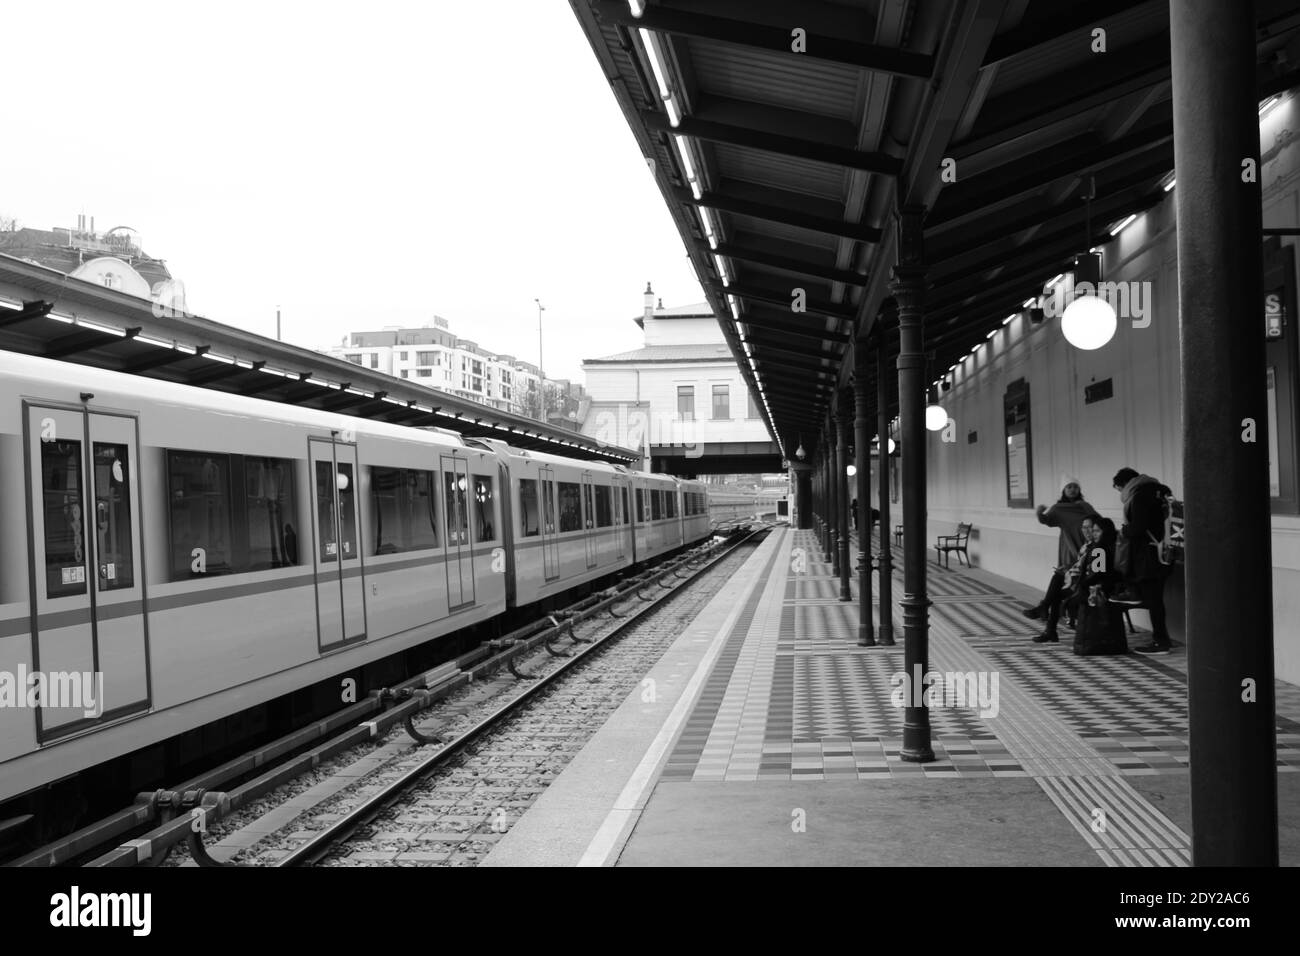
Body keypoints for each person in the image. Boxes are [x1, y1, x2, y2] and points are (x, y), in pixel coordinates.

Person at [1110, 467, 1174, 653]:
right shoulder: (1160, 491)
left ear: (1124, 484)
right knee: (1155, 598)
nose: (1120, 493)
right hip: (1165, 551)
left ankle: (1161, 641)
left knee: (1154, 600)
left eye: (1119, 489)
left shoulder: (1138, 496)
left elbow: (1138, 528)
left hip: (1148, 556)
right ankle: (1161, 638)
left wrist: (1123, 531)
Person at [1023, 481, 1099, 635]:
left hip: (1088, 551)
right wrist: (1039, 514)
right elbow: (1047, 520)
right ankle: (1048, 616)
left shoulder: (1085, 506)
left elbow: (1099, 521)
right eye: (1069, 487)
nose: (1072, 490)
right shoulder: (1059, 508)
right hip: (1070, 548)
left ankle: (1046, 612)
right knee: (1061, 579)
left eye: (1075, 487)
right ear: (1063, 490)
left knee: (1060, 582)